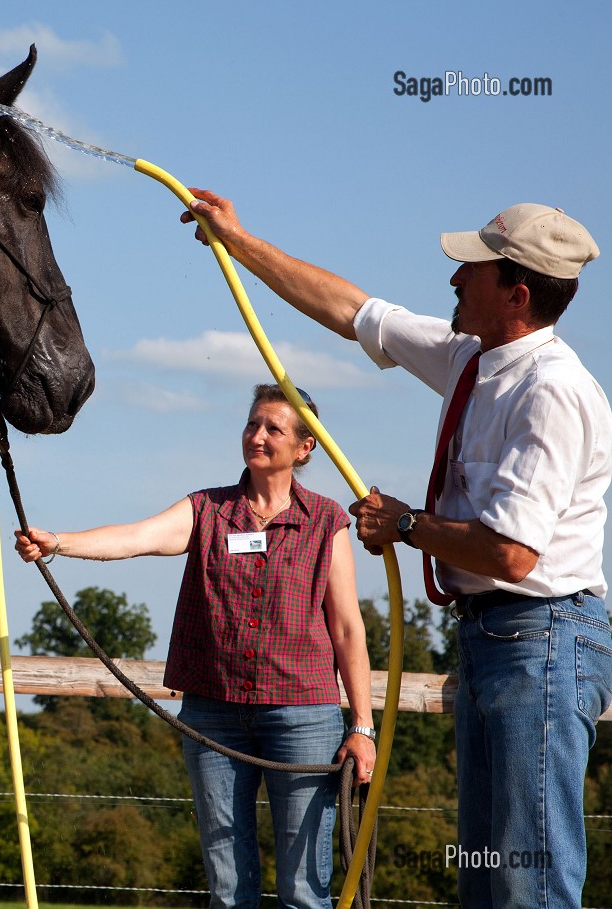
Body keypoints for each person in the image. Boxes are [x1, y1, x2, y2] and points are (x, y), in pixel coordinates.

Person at [181, 194, 612, 908]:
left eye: (470, 269)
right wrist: (238, 240)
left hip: (541, 637)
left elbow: (512, 553)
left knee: (527, 880)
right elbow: (353, 310)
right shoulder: (473, 361)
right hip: (498, 640)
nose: (452, 280)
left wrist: (408, 524)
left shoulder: (551, 391)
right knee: (490, 875)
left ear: (517, 292)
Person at [16, 384, 376, 909]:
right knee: (228, 891)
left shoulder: (326, 521)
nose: (256, 435)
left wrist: (362, 727)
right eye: (252, 424)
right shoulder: (206, 509)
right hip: (213, 715)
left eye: (273, 428)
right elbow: (136, 537)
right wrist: (60, 543)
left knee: (304, 891)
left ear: (304, 448)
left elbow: (347, 630)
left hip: (304, 717)